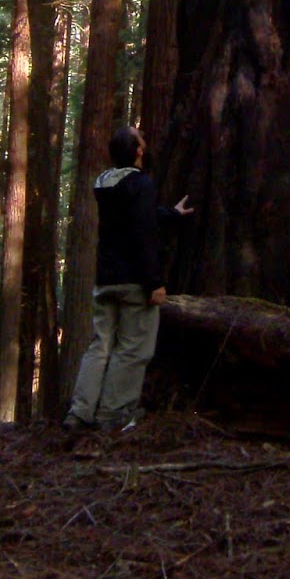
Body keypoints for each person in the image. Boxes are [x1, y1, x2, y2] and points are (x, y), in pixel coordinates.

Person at [64, 125, 192, 431]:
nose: (145, 142)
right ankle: (114, 416)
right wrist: (154, 281)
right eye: (141, 139)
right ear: (138, 150)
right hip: (134, 281)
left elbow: (135, 216)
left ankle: (80, 412)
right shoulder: (141, 183)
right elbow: (143, 233)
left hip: (105, 280)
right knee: (134, 349)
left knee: (100, 346)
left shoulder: (105, 184)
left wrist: (171, 214)